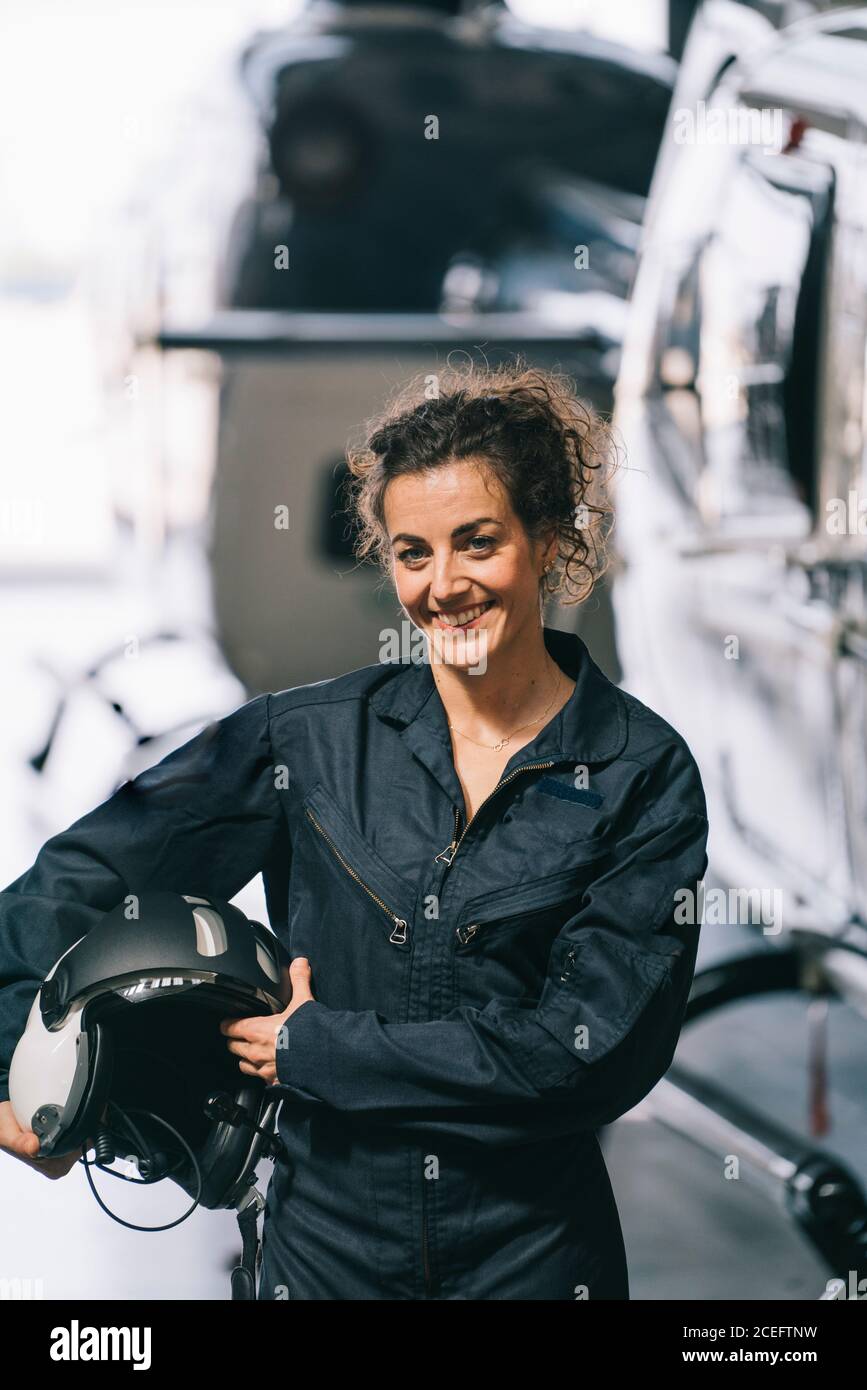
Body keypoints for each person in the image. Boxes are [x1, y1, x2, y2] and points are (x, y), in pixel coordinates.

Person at [0, 360, 709, 1299]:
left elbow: (589, 1052)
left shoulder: (639, 771)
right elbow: (75, 881)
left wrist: (317, 1048)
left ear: (546, 540)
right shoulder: (306, 739)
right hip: (323, 1254)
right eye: (413, 552)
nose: (444, 583)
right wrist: (21, 1066)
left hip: (533, 1261)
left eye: (477, 543)